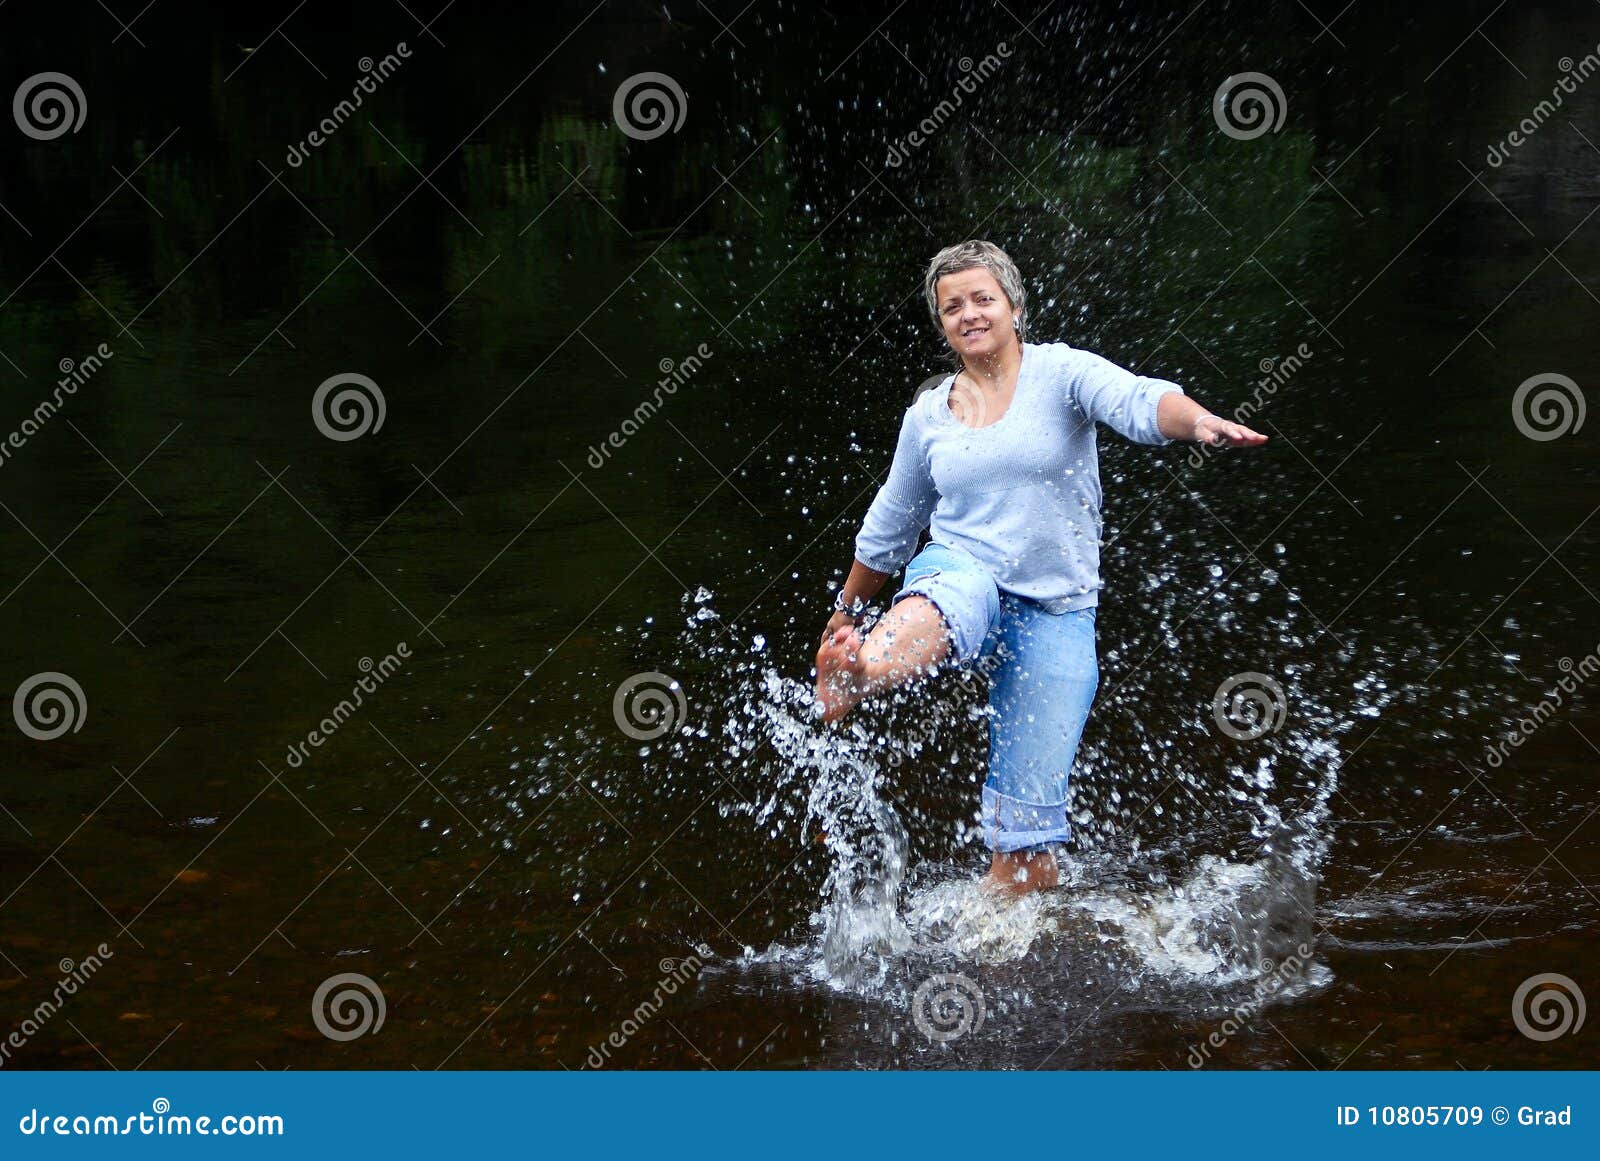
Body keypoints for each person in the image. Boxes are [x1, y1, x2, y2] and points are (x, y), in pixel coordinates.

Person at [813, 239, 1268, 898]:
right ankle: (864, 671)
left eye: (982, 299)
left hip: (1056, 611)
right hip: (963, 569)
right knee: (950, 593)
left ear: (1015, 307)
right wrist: (848, 611)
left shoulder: (1062, 374)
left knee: (1026, 841)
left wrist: (1196, 421)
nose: (968, 314)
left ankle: (1006, 932)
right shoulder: (931, 412)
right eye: (951, 307)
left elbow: (1140, 400)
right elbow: (893, 520)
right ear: (942, 325)